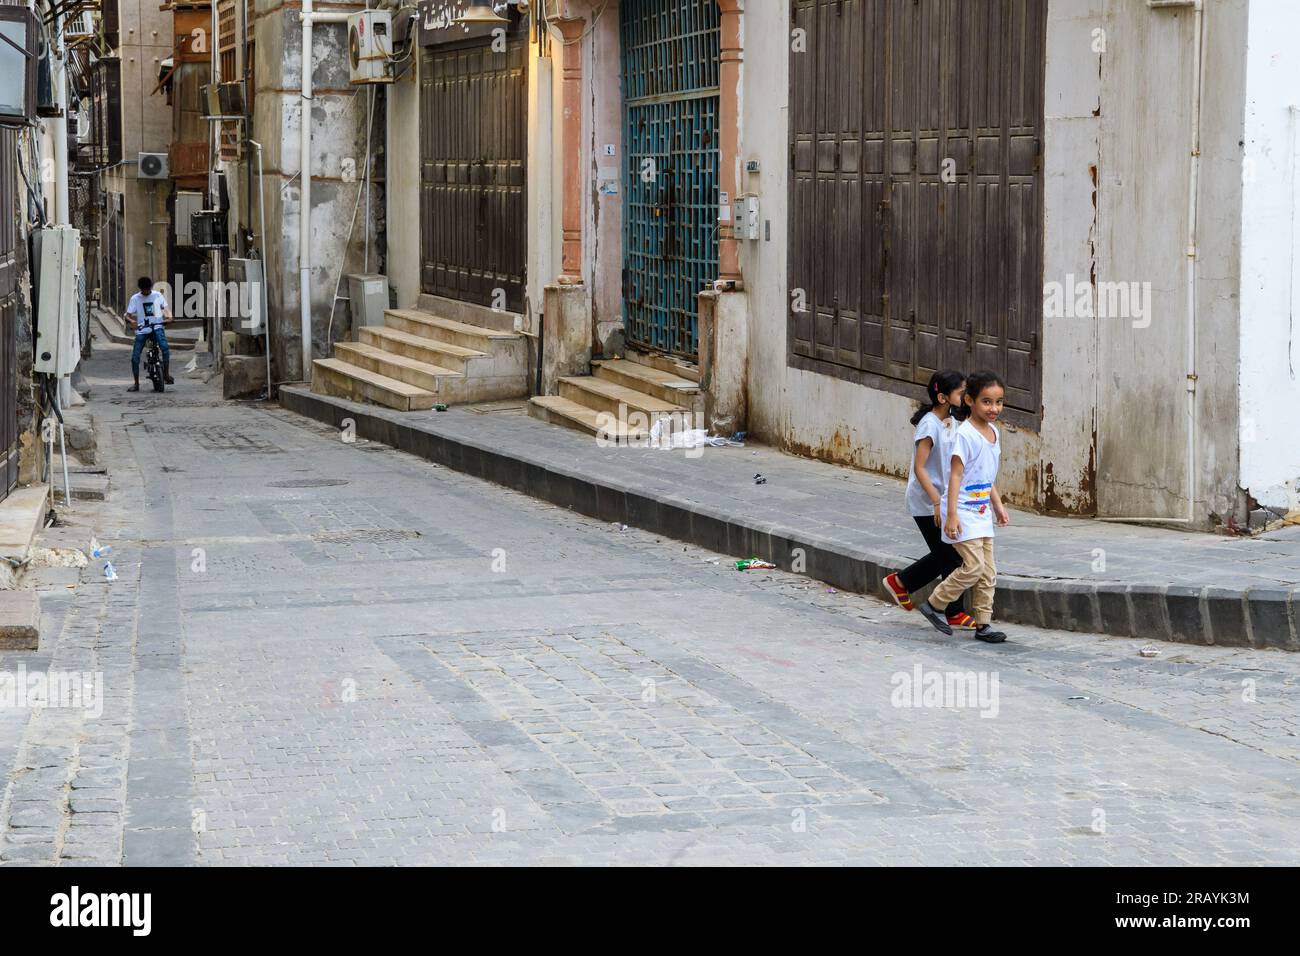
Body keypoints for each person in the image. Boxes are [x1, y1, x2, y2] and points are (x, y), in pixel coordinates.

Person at [916, 370, 1011, 643]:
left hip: (981, 512)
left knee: (988, 572)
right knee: (973, 566)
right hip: (962, 512)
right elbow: (955, 475)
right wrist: (952, 515)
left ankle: (983, 624)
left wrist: (998, 505)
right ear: (969, 400)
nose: (994, 409)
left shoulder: (993, 432)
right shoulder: (965, 435)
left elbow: (986, 474)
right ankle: (935, 603)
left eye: (999, 402)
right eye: (986, 402)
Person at [883, 370, 977, 630]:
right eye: (961, 392)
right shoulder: (929, 424)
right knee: (951, 557)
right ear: (943, 397)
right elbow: (920, 468)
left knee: (947, 554)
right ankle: (954, 612)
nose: (965, 396)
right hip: (926, 503)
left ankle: (901, 582)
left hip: (945, 500)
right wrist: (936, 501)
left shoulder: (951, 421)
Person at [125, 276, 173, 391]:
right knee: (135, 357)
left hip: (157, 326)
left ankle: (166, 374)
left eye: (147, 289)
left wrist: (169, 317)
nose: (146, 292)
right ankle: (136, 383)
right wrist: (132, 321)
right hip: (142, 329)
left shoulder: (158, 296)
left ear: (150, 287)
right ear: (140, 289)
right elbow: (127, 315)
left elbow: (166, 311)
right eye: (143, 290)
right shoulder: (135, 298)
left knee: (165, 348)